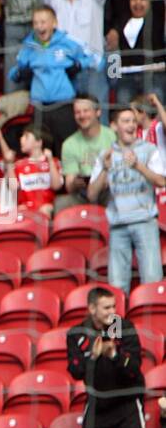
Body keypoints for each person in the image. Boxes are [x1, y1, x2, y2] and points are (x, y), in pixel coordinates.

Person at [67, 286, 148, 428]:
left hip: (126, 399)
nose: (112, 312)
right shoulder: (77, 334)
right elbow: (76, 372)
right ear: (92, 309)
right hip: (98, 403)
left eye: (114, 306)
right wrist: (92, 357)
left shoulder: (122, 327)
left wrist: (113, 355)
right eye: (106, 308)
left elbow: (134, 368)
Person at [88, 105, 166, 293]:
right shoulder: (106, 155)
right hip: (118, 226)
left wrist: (139, 166)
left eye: (133, 121)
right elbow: (92, 195)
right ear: (114, 126)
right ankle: (119, 323)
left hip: (145, 222)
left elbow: (161, 181)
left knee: (152, 282)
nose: (131, 125)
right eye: (125, 121)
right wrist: (105, 170)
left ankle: (152, 323)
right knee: (116, 288)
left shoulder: (149, 149)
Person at [8, 4, 99, 151]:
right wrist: (20, 73)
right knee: (41, 149)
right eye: (36, 23)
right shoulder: (29, 46)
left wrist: (78, 65)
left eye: (43, 22)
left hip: (63, 105)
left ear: (54, 23)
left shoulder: (67, 42)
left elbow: (95, 58)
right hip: (39, 107)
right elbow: (13, 74)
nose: (39, 26)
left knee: (65, 147)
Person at [60, 97, 115, 210]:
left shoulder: (112, 136)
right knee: (61, 203)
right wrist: (75, 183)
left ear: (98, 112)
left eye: (86, 111)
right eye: (77, 112)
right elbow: (69, 185)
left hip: (109, 189)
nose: (82, 115)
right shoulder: (69, 144)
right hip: (82, 194)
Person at [0, 123, 63, 216]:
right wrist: (9, 164)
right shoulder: (19, 165)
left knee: (45, 210)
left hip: (47, 208)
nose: (21, 139)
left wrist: (50, 160)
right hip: (25, 209)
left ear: (38, 142)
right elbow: (13, 187)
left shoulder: (53, 161)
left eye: (26, 136)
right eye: (22, 136)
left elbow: (56, 186)